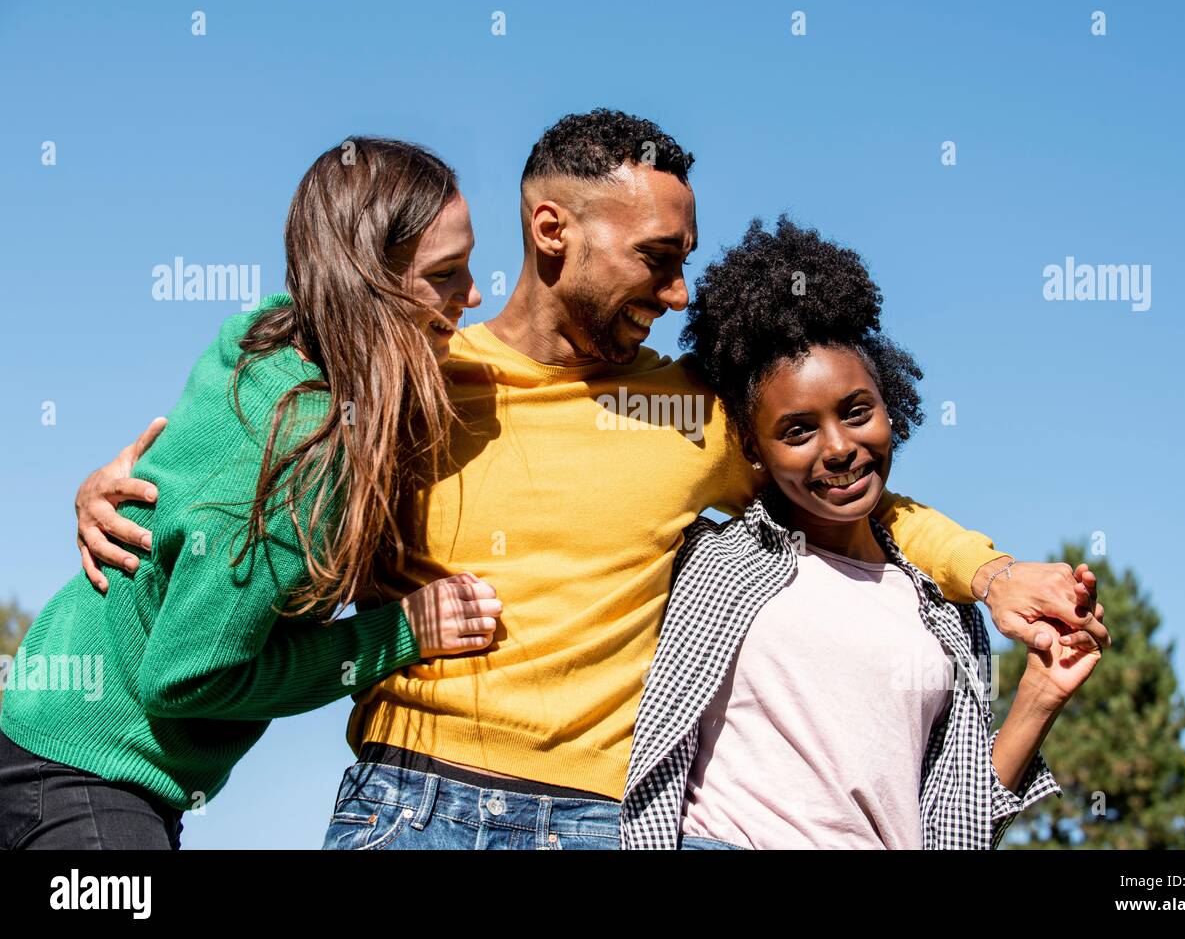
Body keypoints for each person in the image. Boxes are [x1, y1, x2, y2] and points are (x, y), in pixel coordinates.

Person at [71, 111, 1106, 851]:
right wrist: (111, 483)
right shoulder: (408, 373)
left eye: (686, 260)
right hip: (407, 808)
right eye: (658, 257)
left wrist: (992, 572)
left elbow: (843, 484)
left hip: (600, 820)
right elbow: (242, 443)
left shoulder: (696, 414)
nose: (680, 289)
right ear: (551, 230)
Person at [0, 137, 501, 849]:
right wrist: (404, 632)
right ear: (370, 286)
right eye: (447, 274)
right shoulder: (305, 450)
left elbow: (184, 475)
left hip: (48, 742)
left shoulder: (265, 334)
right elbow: (185, 677)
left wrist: (96, 489)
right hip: (83, 775)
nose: (474, 294)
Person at [621, 217, 1105, 850]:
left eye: (856, 413)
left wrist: (1040, 695)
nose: (840, 448)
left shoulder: (943, 611)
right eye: (797, 431)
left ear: (889, 405)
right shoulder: (708, 560)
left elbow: (959, 828)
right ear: (751, 447)